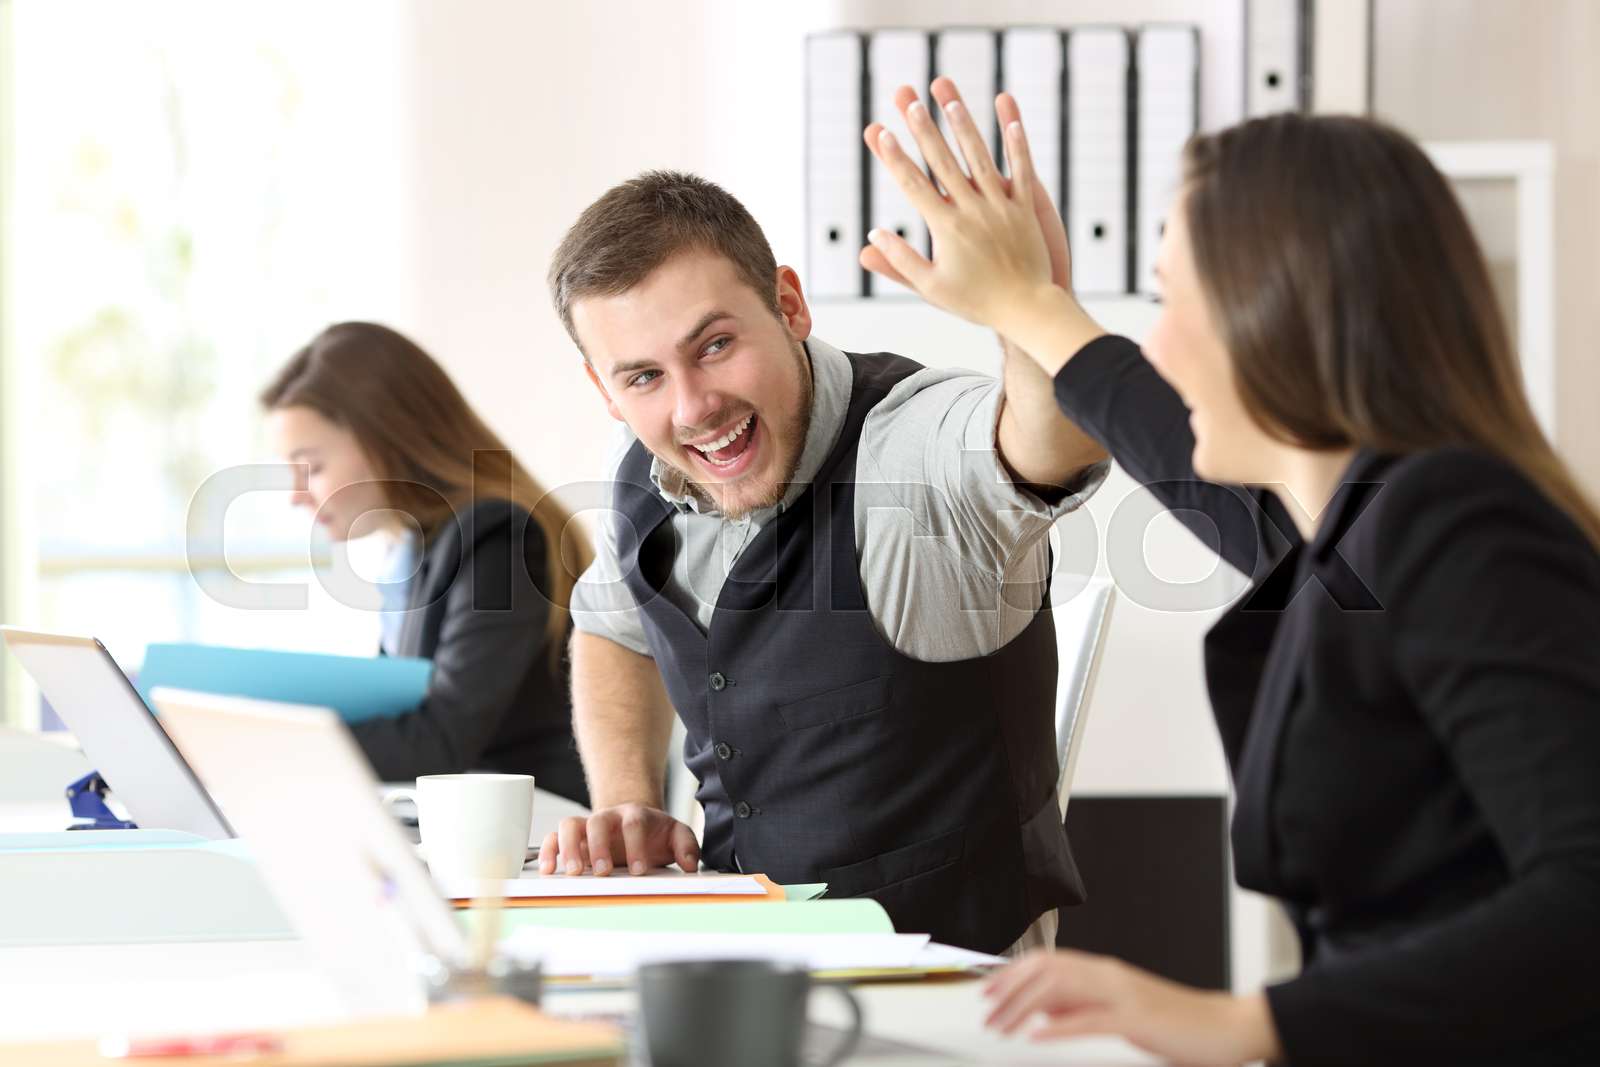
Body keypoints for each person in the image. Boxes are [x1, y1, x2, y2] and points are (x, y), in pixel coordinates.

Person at [862, 77, 1600, 1065]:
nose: (1157, 344)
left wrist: (1238, 1022)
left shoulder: (1454, 526)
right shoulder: (1355, 542)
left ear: (1275, 314)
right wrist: (1033, 310)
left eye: (1171, 299)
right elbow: (1168, 443)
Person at [536, 169, 1110, 955]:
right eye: (643, 376)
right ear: (606, 389)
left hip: (945, 981)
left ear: (790, 306)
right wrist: (628, 801)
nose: (692, 407)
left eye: (715, 345)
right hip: (744, 955)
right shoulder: (644, 463)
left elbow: (1044, 445)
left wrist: (1031, 313)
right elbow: (615, 626)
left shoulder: (912, 445)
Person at [261, 322, 592, 804]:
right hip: (461, 825)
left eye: (310, 466)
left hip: (532, 837)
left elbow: (439, 740)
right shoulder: (413, 554)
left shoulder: (499, 538)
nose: (295, 495)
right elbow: (398, 710)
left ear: (385, 438)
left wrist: (276, 743)